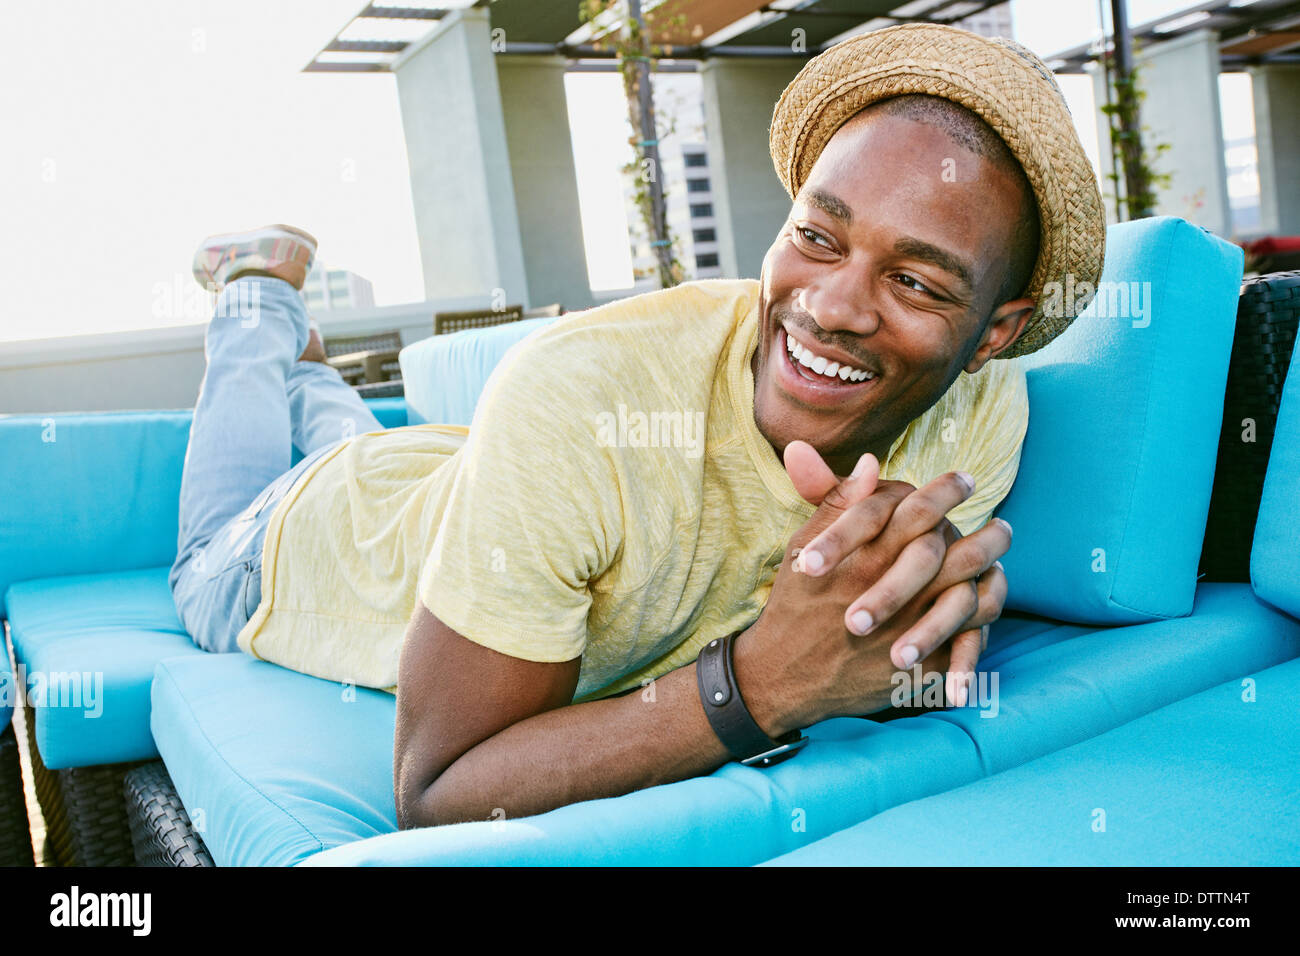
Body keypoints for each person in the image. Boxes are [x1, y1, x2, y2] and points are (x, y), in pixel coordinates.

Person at [168, 23, 1103, 830]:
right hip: (292, 548)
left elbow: (898, 645)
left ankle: (316, 375)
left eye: (916, 282)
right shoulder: (580, 394)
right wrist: (761, 686)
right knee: (217, 540)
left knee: (354, 445)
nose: (832, 308)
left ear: (999, 333)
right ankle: (254, 296)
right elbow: (439, 789)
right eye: (816, 238)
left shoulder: (982, 411)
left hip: (434, 478)